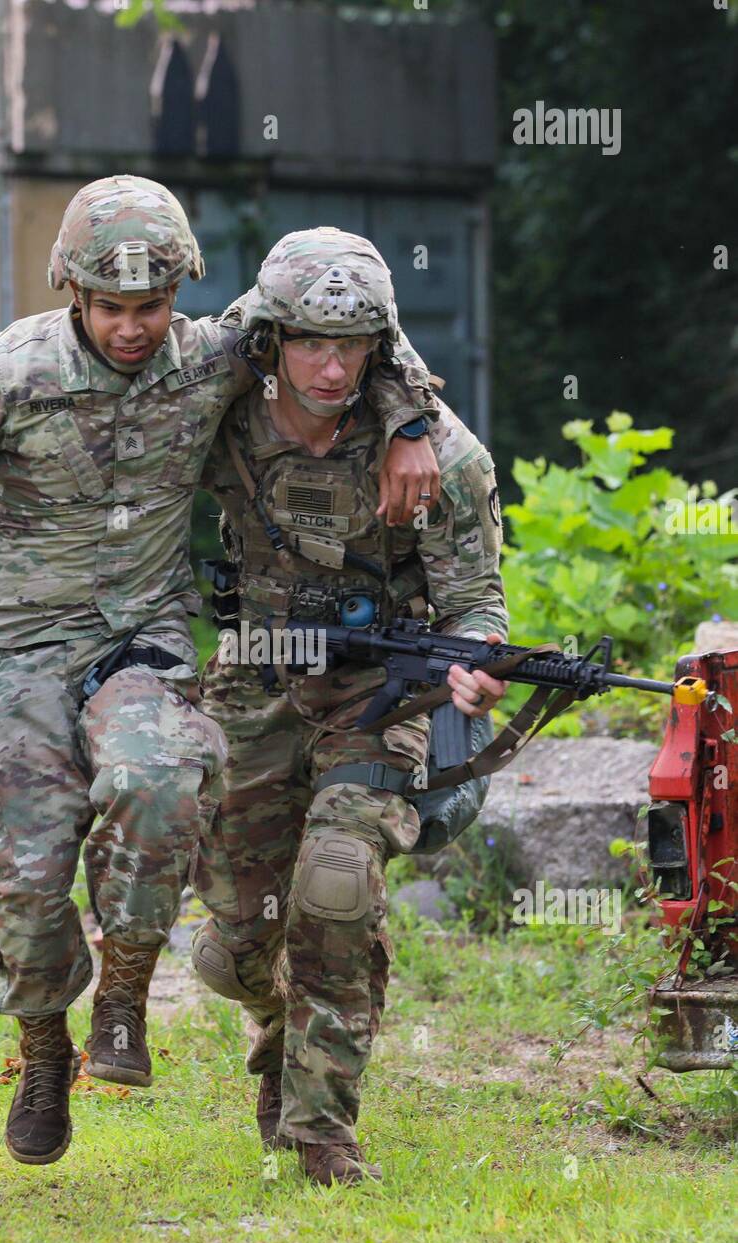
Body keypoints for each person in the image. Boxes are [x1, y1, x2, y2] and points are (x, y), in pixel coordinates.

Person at [0, 177, 440, 1166]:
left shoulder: (209, 356)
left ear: (180, 295)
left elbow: (344, 312)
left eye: (152, 306)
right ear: (73, 294)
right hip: (21, 648)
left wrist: (413, 420)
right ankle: (45, 1048)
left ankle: (123, 993)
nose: (133, 328)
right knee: (26, 870)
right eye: (113, 308)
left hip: (141, 640)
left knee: (159, 777)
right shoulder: (10, 369)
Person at [190, 228, 509, 1186]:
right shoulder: (220, 411)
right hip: (252, 680)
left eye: (354, 347)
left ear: (382, 344)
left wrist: (477, 666)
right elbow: (103, 474)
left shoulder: (441, 456)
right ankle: (280, 1024)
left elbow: (476, 605)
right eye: (311, 346)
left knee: (334, 882)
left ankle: (321, 1129)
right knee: (235, 943)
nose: (333, 368)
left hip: (379, 693)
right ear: (272, 339)